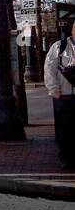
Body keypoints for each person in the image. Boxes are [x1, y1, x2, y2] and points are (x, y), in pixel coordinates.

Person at [45, 19, 75, 170]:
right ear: (72, 31)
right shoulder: (59, 47)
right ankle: (67, 158)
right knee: (66, 129)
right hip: (64, 95)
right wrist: (53, 88)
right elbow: (49, 68)